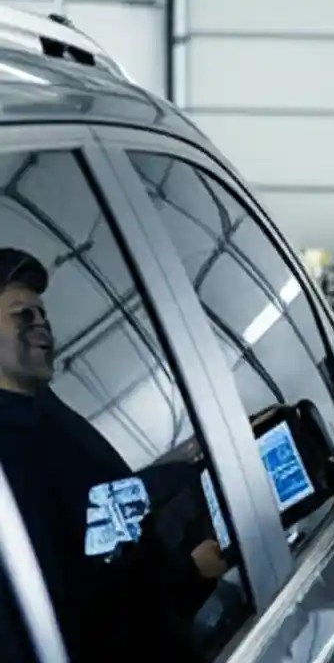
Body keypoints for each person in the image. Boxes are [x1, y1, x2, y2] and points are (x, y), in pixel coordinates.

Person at [0, 248, 226, 661]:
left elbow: (104, 533)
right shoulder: (11, 449)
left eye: (43, 314)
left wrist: (191, 573)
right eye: (23, 316)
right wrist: (180, 477)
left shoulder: (44, 412)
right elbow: (81, 584)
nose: (42, 325)